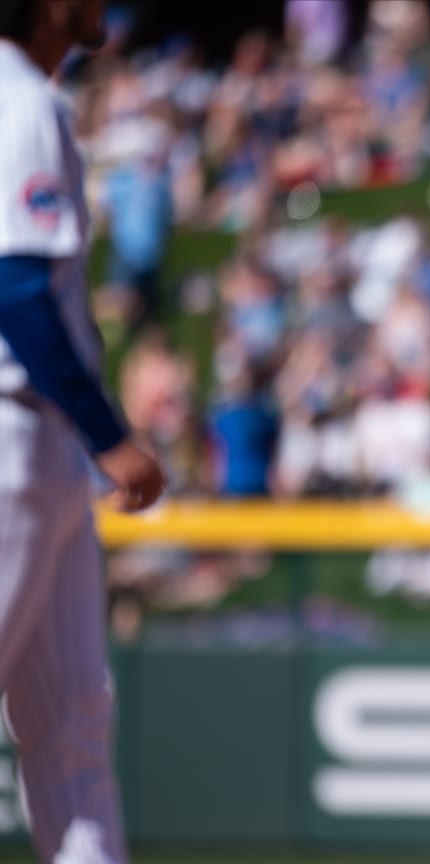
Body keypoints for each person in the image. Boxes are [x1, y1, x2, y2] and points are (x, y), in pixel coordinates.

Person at [0, 2, 167, 862]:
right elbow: (17, 289)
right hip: (13, 434)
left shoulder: (31, 96)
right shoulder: (14, 98)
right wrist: (109, 435)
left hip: (45, 445)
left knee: (73, 724)